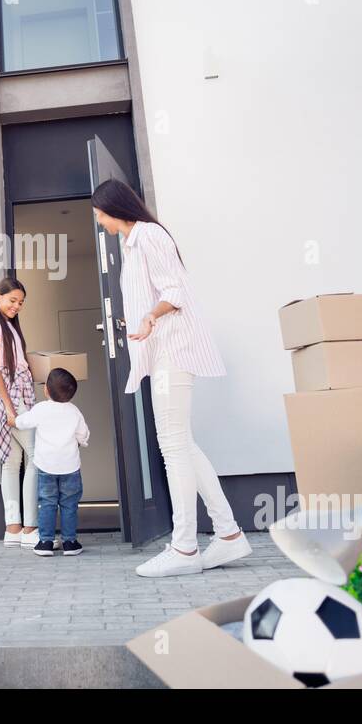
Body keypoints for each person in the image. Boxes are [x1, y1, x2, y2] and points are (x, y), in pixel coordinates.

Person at [91, 178, 251, 577]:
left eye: (100, 215)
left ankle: (184, 547)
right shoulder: (135, 243)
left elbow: (174, 290)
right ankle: (229, 536)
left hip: (173, 352)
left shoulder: (148, 235)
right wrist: (142, 316)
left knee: (174, 446)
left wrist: (151, 316)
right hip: (163, 350)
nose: (99, 224)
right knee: (182, 444)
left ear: (115, 210)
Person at [0, 277, 41, 549]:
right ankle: (30, 528)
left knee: (12, 462)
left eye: (20, 302)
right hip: (11, 399)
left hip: (19, 396)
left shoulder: (9, 325)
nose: (16, 306)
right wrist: (9, 406)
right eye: (12, 300)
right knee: (37, 456)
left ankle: (13, 528)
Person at [13, 368, 88, 557]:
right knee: (69, 504)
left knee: (47, 503)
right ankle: (70, 542)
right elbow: (83, 434)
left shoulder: (41, 409)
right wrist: (80, 441)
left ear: (46, 390)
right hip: (70, 467)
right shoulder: (74, 411)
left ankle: (45, 542)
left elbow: (24, 422)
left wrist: (12, 420)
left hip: (46, 467)